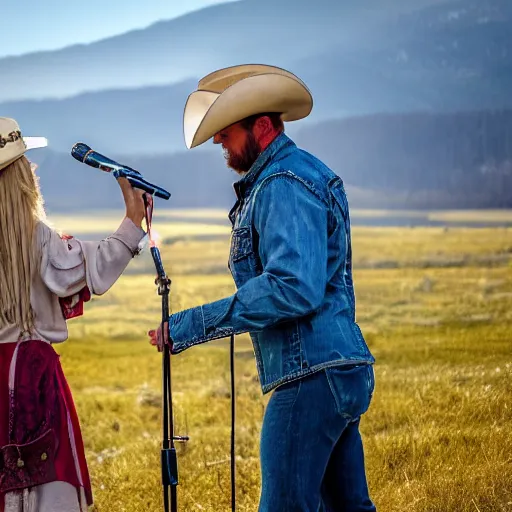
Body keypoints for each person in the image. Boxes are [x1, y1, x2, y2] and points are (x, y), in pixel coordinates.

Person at [149, 64, 377, 511]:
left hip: (309, 373)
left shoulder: (282, 184)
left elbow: (293, 287)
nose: (218, 140)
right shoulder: (302, 173)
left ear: (264, 126)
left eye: (226, 131)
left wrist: (193, 324)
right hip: (338, 366)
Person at [0, 117, 147, 512]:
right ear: (21, 177)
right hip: (32, 375)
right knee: (50, 491)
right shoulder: (39, 238)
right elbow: (92, 269)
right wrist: (133, 222)